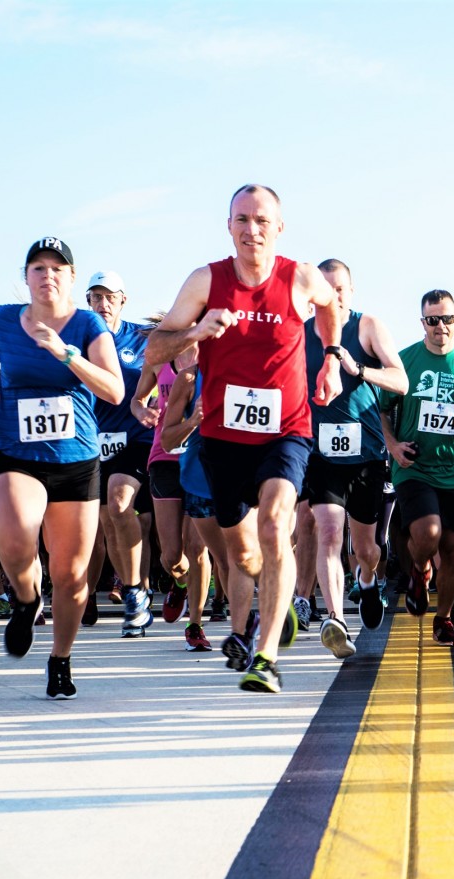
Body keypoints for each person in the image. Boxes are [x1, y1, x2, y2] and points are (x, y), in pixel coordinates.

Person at [145, 184, 344, 693]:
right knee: (246, 557)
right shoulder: (205, 281)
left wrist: (332, 358)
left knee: (277, 526)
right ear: (228, 226)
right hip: (222, 439)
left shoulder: (300, 277)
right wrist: (196, 332)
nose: (251, 230)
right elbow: (154, 349)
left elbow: (329, 306)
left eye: (261, 220)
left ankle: (268, 655)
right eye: (241, 220)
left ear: (279, 227)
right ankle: (273, 605)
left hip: (287, 430)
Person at [0, 235, 124, 698]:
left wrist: (66, 353)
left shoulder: (88, 325)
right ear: (25, 277)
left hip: (75, 461)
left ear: (70, 277)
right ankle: (27, 600)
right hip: (15, 452)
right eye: (37, 268)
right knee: (14, 539)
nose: (47, 275)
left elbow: (114, 391)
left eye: (57, 268)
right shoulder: (2, 320)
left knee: (71, 576)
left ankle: (60, 660)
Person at [301, 257, 406, 653]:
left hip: (366, 454)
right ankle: (336, 620)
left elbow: (401, 381)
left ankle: (367, 580)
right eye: (324, 290)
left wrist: (359, 369)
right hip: (320, 453)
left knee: (366, 548)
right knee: (328, 531)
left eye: (339, 289)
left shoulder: (367, 326)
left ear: (350, 290)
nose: (332, 297)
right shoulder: (301, 332)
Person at [381, 288, 454, 647]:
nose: (440, 327)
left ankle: (443, 618)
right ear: (423, 324)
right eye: (433, 320)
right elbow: (382, 408)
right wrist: (393, 445)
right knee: (429, 533)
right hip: (415, 465)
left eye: (447, 319)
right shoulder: (404, 361)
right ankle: (417, 569)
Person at [84, 270, 159, 637]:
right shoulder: (80, 340)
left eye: (109, 296)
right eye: (96, 297)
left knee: (119, 503)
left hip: (136, 438)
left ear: (123, 300)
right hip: (94, 443)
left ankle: (135, 591)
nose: (103, 304)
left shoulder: (141, 338)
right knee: (108, 524)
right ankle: (135, 594)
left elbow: (167, 372)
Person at [141, 346, 215, 650]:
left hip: (199, 458)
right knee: (172, 555)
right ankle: (180, 583)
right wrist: (142, 410)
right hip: (165, 456)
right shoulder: (159, 359)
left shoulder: (213, 362)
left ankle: (195, 623)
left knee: (198, 548)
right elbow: (136, 400)